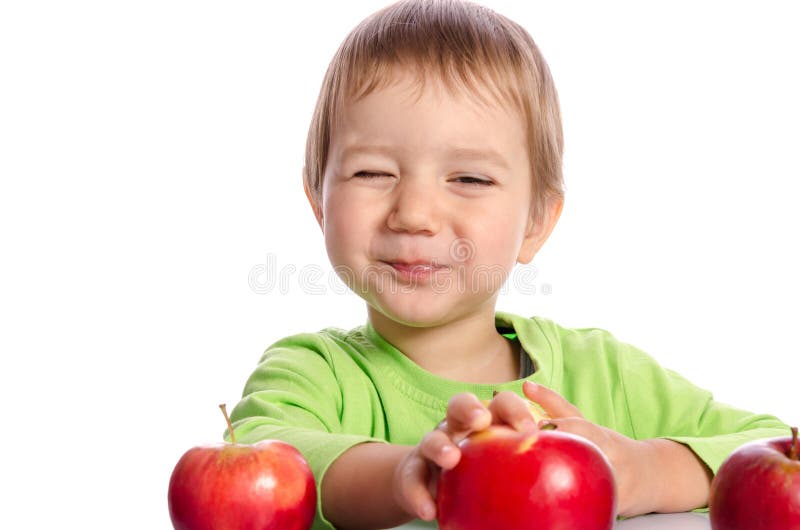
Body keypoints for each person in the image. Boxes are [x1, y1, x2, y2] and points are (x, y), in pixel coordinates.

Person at [229, 1, 789, 529]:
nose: (415, 214)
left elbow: (769, 446)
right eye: (374, 172)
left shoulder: (605, 375)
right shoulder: (311, 374)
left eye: (469, 179)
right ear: (318, 201)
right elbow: (265, 462)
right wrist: (406, 475)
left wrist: (643, 470)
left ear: (536, 223)